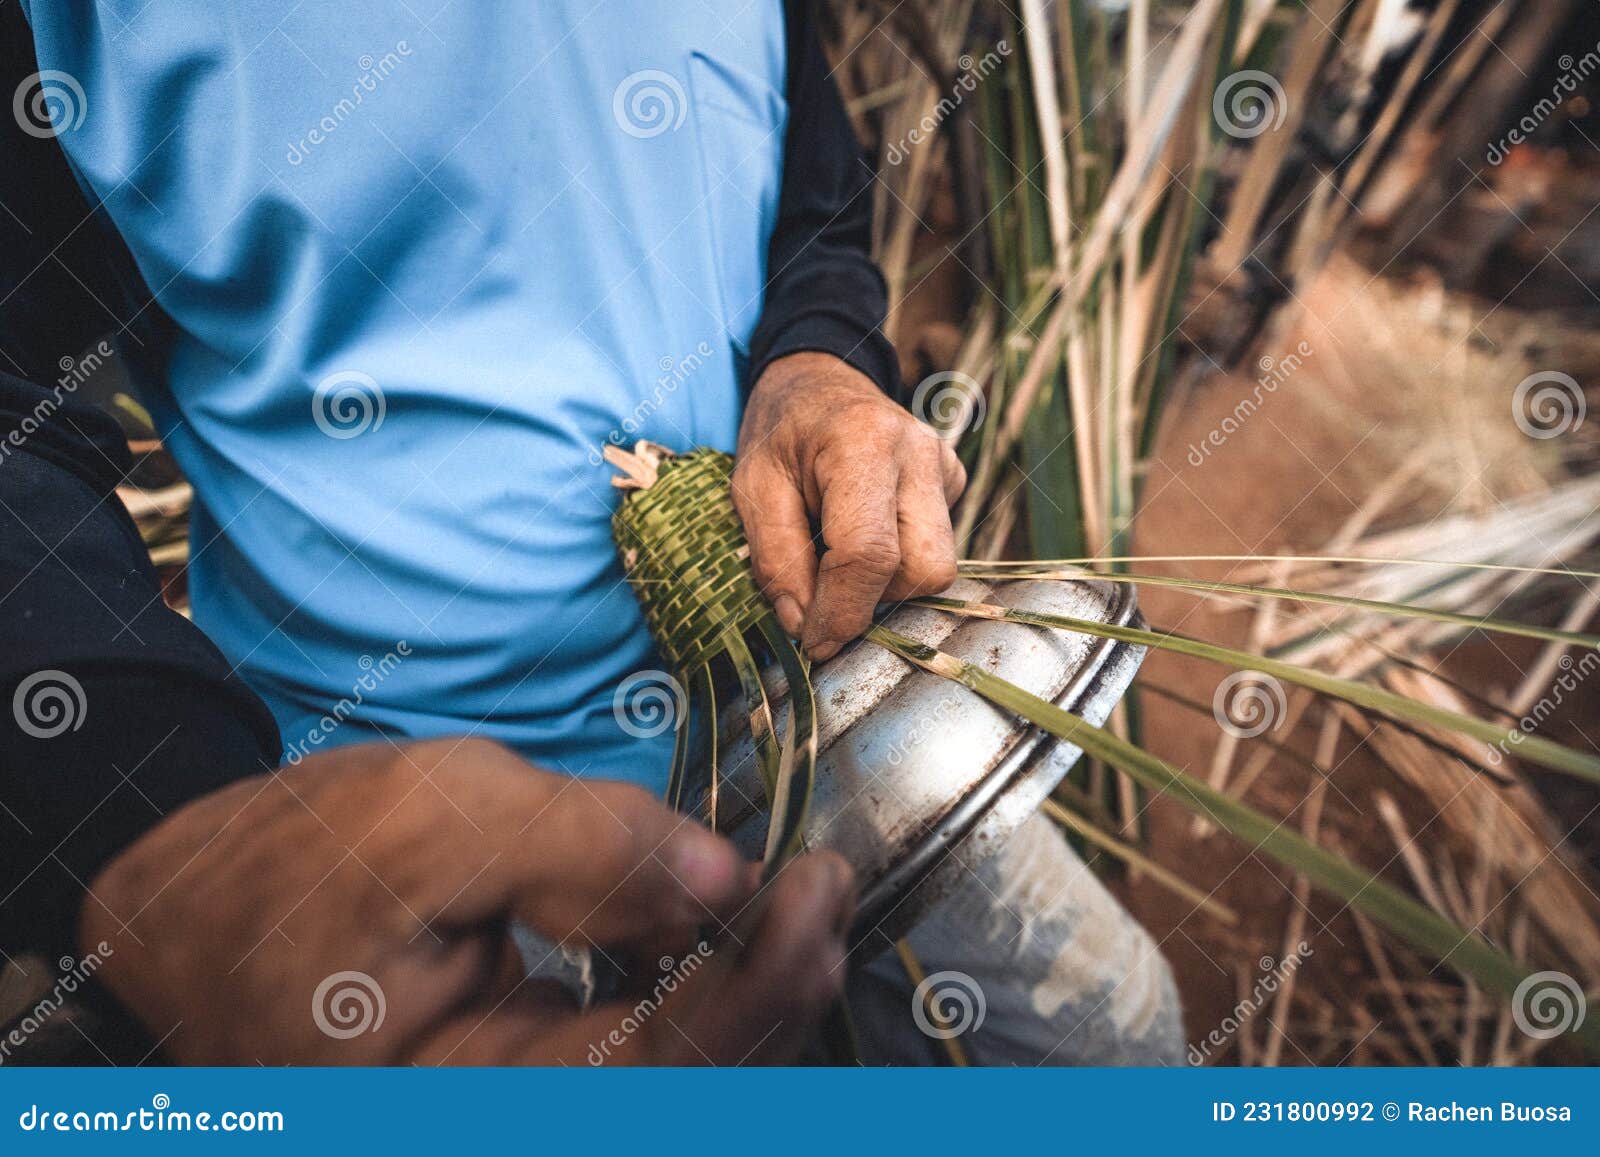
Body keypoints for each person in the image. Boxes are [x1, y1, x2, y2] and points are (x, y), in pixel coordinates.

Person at [0, 1, 1182, 1064]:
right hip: (404, 845)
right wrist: (175, 841)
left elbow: (809, 196)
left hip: (817, 698)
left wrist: (816, 359)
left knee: (1116, 1034)